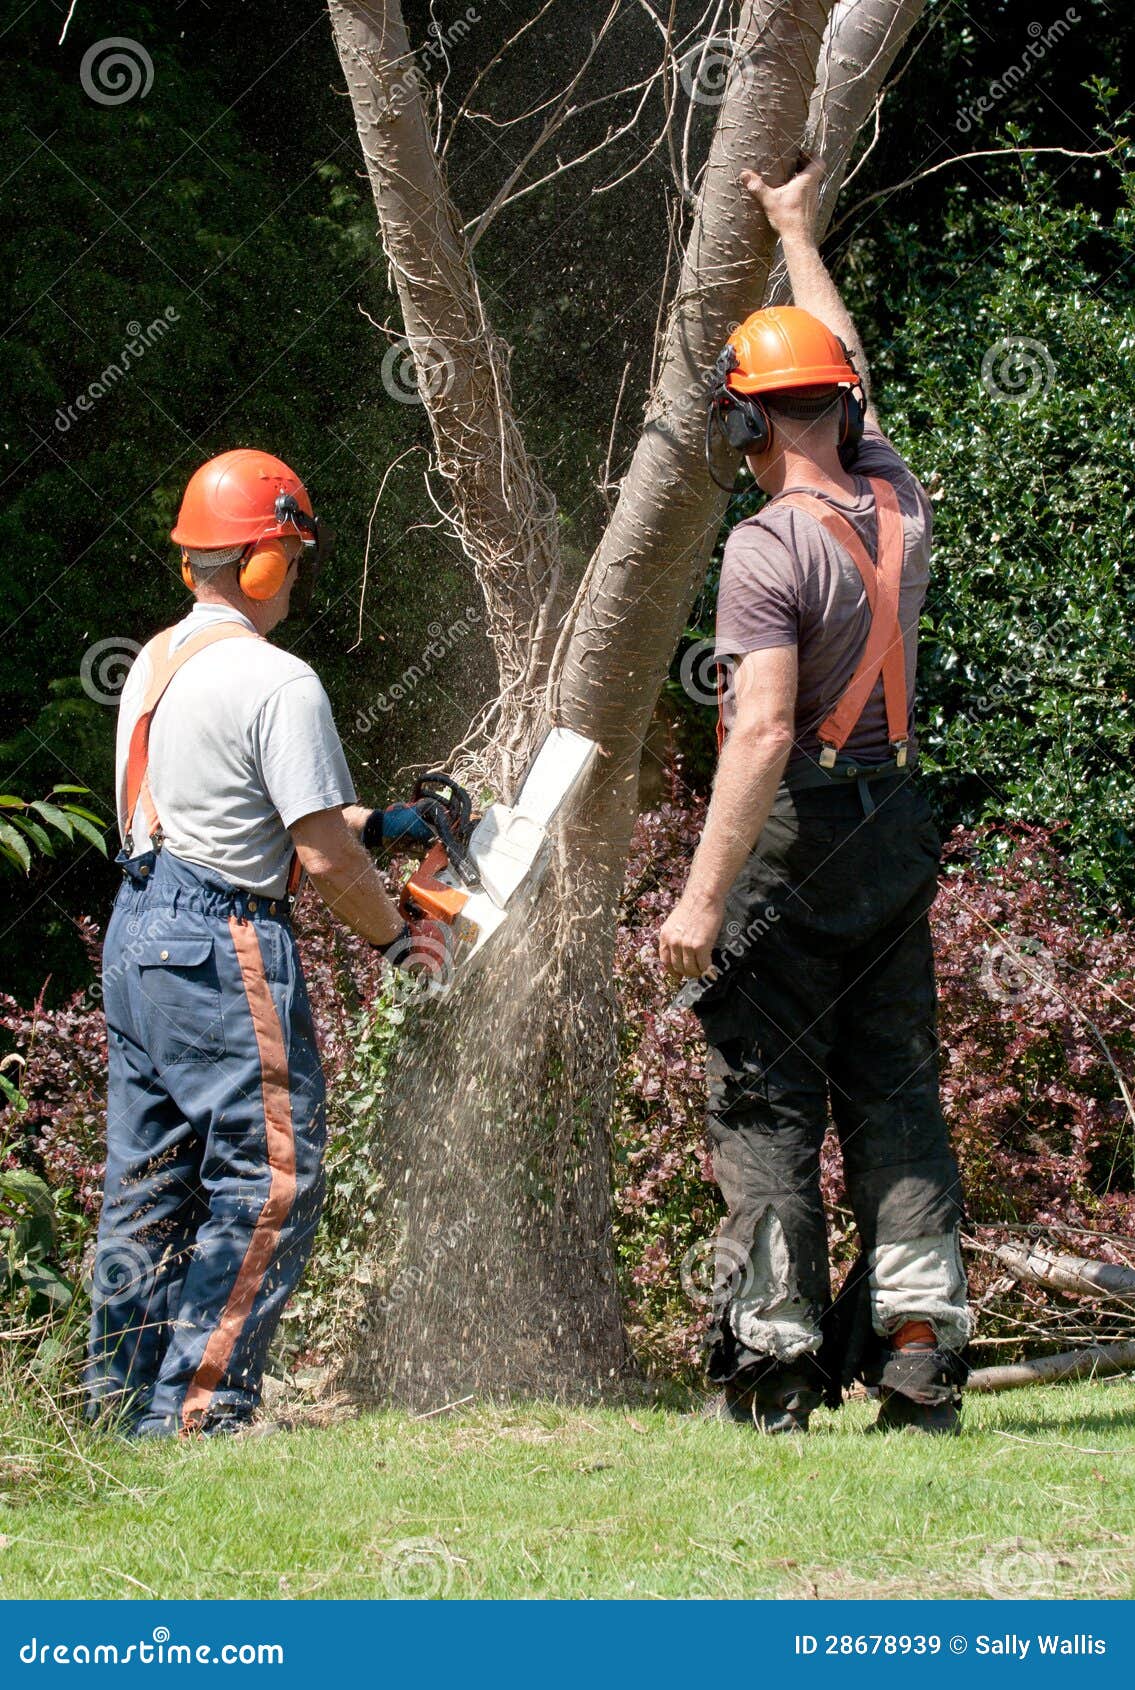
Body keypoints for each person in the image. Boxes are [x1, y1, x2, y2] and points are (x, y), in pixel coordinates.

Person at [659, 160, 971, 1435]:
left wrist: (700, 894)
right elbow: (847, 363)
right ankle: (916, 1361)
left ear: (742, 425)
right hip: (895, 829)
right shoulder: (897, 502)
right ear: (840, 408)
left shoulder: (762, 547)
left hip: (794, 841)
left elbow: (765, 729)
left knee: (769, 1096)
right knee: (895, 1093)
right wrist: (794, 229)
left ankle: (778, 1368)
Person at [87, 448, 438, 1438]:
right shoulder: (279, 679)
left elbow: (256, 803)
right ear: (263, 564)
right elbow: (317, 858)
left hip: (139, 930)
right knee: (270, 1172)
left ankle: (115, 1410)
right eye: (293, 555)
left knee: (149, 1180)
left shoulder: (157, 661)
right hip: (218, 938)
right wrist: (397, 939)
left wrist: (386, 826)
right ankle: (202, 1412)